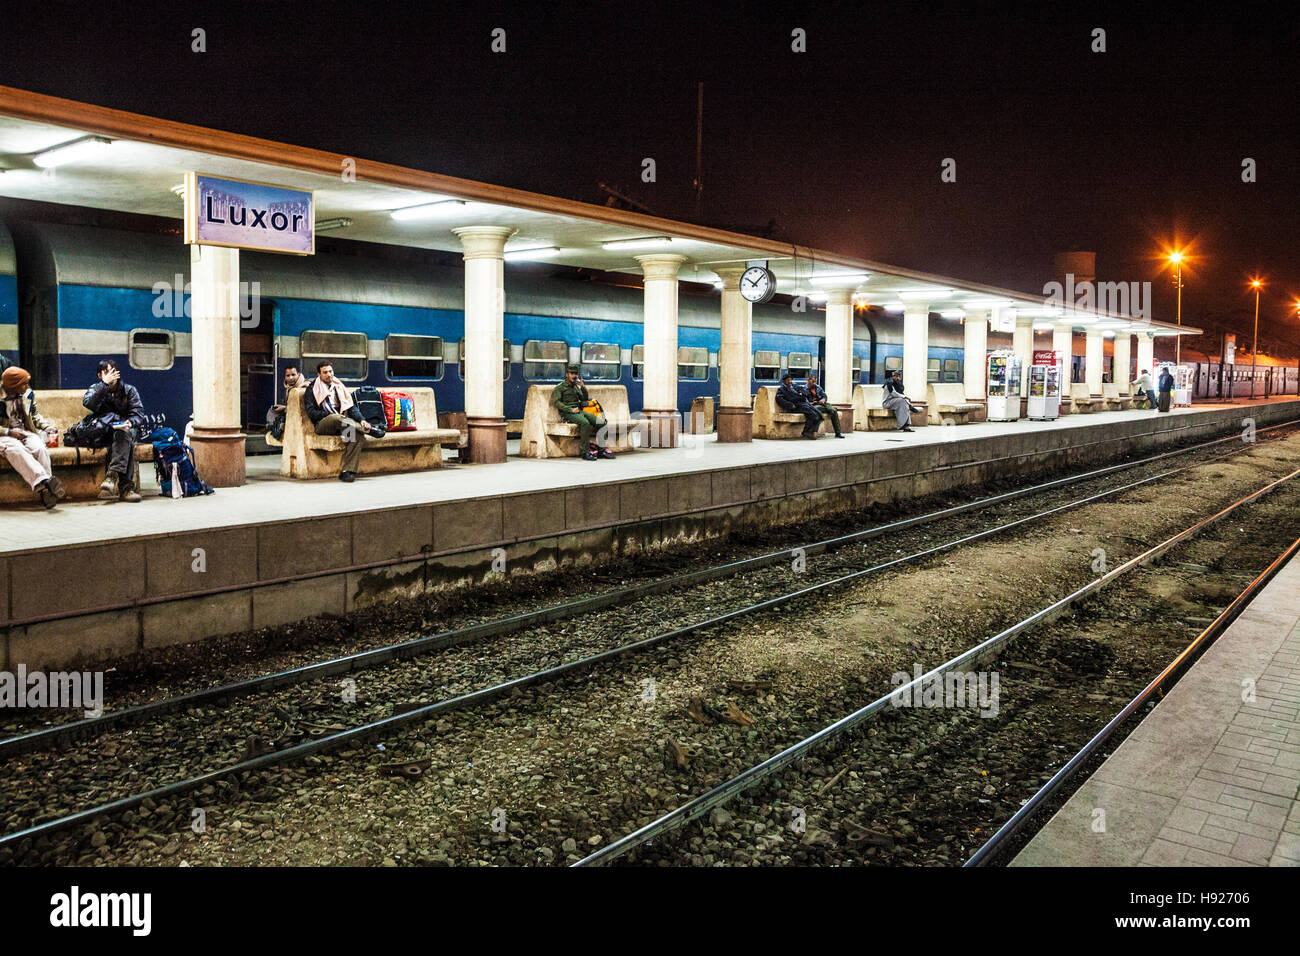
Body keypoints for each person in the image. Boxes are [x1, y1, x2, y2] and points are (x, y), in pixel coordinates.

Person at [1, 365, 65, 508]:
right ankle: (47, 482)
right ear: (14, 385)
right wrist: (8, 432)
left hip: (24, 431)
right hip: (3, 434)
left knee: (39, 448)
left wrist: (47, 427)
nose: (28, 386)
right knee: (15, 449)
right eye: (24, 383)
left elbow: (34, 416)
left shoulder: (27, 394)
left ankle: (45, 488)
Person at [84, 359, 146, 502]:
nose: (110, 375)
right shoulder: (96, 388)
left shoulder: (129, 390)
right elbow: (88, 403)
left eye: (113, 371)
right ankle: (126, 489)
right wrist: (104, 385)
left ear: (117, 373)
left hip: (125, 429)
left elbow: (138, 414)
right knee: (124, 441)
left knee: (123, 436)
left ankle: (112, 475)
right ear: (100, 375)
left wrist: (131, 422)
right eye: (106, 372)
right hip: (103, 431)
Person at [303, 362, 371, 481]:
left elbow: (351, 407)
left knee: (357, 435)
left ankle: (347, 471)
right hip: (323, 425)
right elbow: (312, 413)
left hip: (342, 424)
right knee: (335, 418)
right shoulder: (312, 389)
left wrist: (362, 420)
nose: (329, 375)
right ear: (319, 374)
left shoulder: (338, 386)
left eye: (331, 371)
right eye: (325, 372)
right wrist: (330, 413)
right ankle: (368, 429)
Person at [551, 364, 614, 460]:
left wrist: (583, 387)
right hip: (567, 413)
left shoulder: (576, 387)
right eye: (572, 373)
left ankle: (601, 450)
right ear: (567, 374)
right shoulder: (560, 387)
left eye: (575, 373)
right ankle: (585, 452)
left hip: (579, 411)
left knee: (602, 423)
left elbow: (584, 399)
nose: (574, 376)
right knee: (585, 423)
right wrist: (570, 409)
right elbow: (556, 403)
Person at [775, 372, 822, 438]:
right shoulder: (781, 390)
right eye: (788, 380)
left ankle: (813, 431)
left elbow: (804, 393)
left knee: (819, 414)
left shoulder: (796, 386)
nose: (790, 381)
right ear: (784, 381)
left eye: (791, 380)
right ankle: (806, 431)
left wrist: (800, 395)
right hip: (795, 406)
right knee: (813, 415)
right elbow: (780, 399)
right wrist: (790, 404)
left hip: (804, 404)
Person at [267, 364, 306, 440]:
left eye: (293, 375)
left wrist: (284, 408)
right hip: (290, 413)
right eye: (288, 375)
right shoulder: (289, 389)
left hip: (300, 418)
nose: (291, 378)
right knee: (272, 411)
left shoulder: (303, 388)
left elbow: (301, 409)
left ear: (298, 374)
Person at [804, 373, 845, 438]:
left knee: (833, 411)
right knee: (828, 409)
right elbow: (805, 400)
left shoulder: (818, 387)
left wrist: (823, 399)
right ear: (808, 381)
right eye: (810, 382)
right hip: (814, 406)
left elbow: (824, 396)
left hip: (822, 404)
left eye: (813, 382)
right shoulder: (804, 389)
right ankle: (832, 409)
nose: (811, 384)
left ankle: (838, 433)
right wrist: (813, 402)